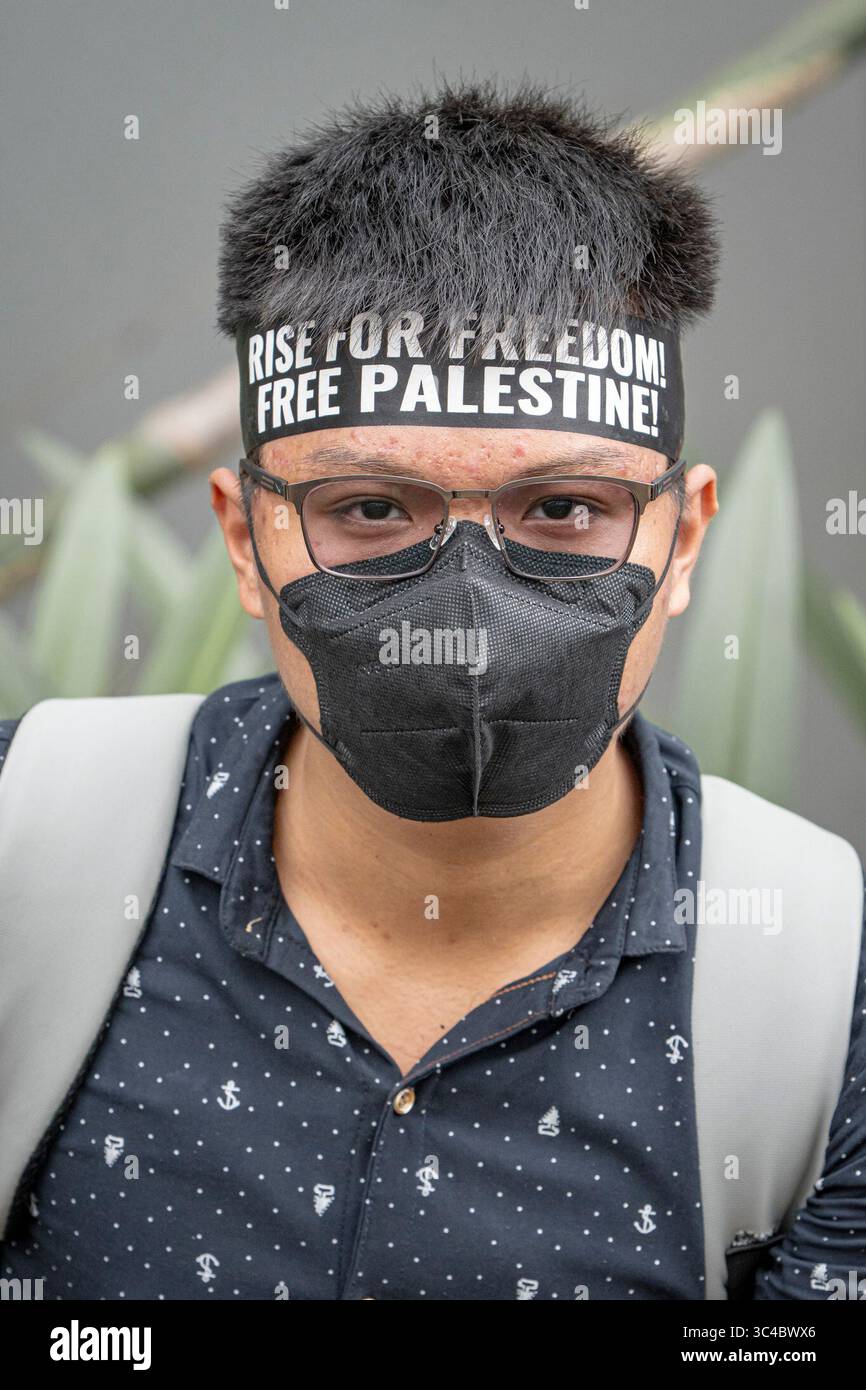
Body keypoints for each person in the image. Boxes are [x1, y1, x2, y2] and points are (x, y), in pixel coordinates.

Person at [1, 80, 863, 1302]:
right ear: (245, 543)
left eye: (564, 509)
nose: (462, 618)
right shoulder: (17, 850)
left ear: (679, 544)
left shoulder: (832, 1006)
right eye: (368, 508)